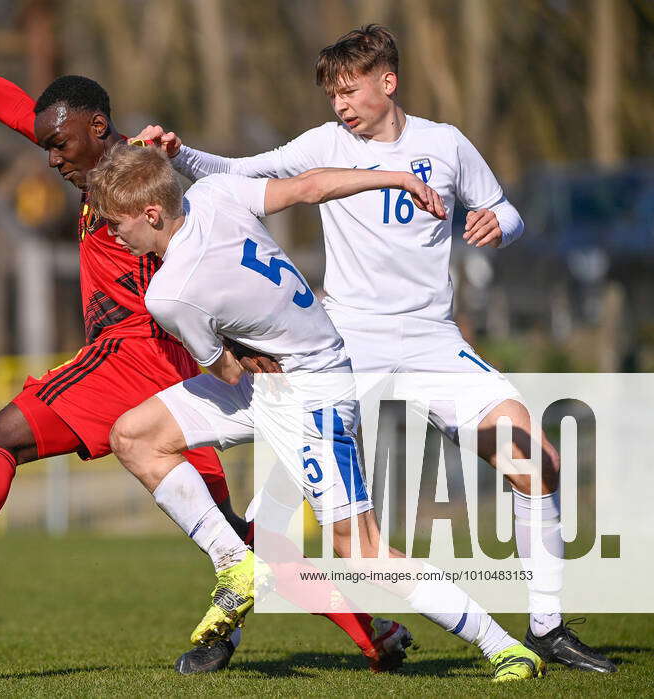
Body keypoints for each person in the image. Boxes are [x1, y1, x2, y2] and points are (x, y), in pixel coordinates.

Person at [0, 7, 411, 675]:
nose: (53, 157)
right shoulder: (111, 164)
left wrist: (240, 340)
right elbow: (17, 108)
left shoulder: (134, 174)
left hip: (132, 354)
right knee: (234, 537)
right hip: (180, 369)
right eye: (48, 146)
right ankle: (373, 634)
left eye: (61, 144)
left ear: (99, 129)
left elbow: (207, 265)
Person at [139, 24, 614, 675]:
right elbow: (238, 173)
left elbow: (507, 209)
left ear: (387, 81)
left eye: (349, 89)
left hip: (432, 343)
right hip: (343, 344)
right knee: (276, 499)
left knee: (537, 460)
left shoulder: (444, 144)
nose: (340, 104)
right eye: (333, 93)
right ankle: (227, 627)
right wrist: (179, 150)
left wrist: (495, 224)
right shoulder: (323, 145)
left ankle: (549, 627)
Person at [92, 143, 544, 682]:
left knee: (361, 549)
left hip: (312, 392)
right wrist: (395, 177)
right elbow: (309, 186)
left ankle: (505, 647)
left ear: (151, 213)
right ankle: (235, 562)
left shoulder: (169, 295)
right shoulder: (214, 192)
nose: (112, 236)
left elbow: (228, 371)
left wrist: (243, 347)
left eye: (116, 224)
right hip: (280, 377)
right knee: (135, 436)